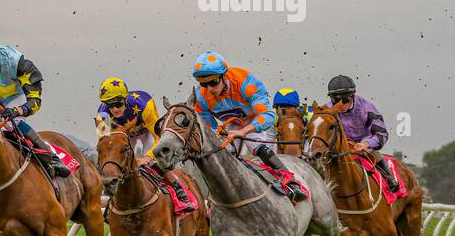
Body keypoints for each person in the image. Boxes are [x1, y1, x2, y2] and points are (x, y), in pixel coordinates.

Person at [190, 51, 304, 200]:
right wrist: (220, 135)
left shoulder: (245, 83)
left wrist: (244, 131)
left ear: (224, 75)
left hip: (256, 122)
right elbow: (209, 128)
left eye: (213, 82)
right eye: (203, 84)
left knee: (255, 147)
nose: (209, 88)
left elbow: (268, 116)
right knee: (222, 152)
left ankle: (291, 183)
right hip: (233, 127)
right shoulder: (201, 97)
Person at [0, 22, 68, 178]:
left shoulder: (17, 63)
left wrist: (17, 110)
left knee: (10, 122)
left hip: (17, 98)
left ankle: (50, 158)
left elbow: (35, 102)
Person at [97, 77, 193, 211]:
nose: (114, 109)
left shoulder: (144, 105)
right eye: (110, 105)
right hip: (123, 136)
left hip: (147, 132)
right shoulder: (102, 115)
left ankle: (179, 191)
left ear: (125, 98)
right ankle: (112, 201)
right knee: (116, 162)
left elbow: (159, 137)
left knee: (155, 160)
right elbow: (107, 145)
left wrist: (147, 157)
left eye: (118, 103)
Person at [326, 74, 402, 193]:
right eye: (336, 101)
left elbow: (381, 134)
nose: (341, 105)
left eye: (345, 100)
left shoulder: (367, 108)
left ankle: (389, 179)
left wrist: (366, 144)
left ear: (352, 96)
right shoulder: (327, 110)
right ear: (331, 99)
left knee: (374, 153)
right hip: (340, 147)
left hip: (363, 146)